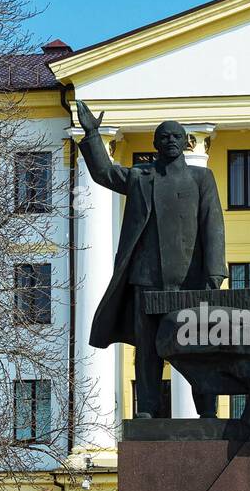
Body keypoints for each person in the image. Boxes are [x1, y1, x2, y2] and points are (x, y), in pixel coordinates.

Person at [75, 99, 226, 417]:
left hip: (190, 281)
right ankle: (148, 409)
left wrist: (215, 272)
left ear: (186, 142)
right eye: (164, 136)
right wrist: (91, 135)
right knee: (147, 350)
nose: (170, 140)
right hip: (145, 280)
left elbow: (213, 225)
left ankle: (208, 411)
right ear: (155, 143)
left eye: (175, 135)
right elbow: (104, 173)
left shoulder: (201, 178)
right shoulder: (141, 176)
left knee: (200, 346)